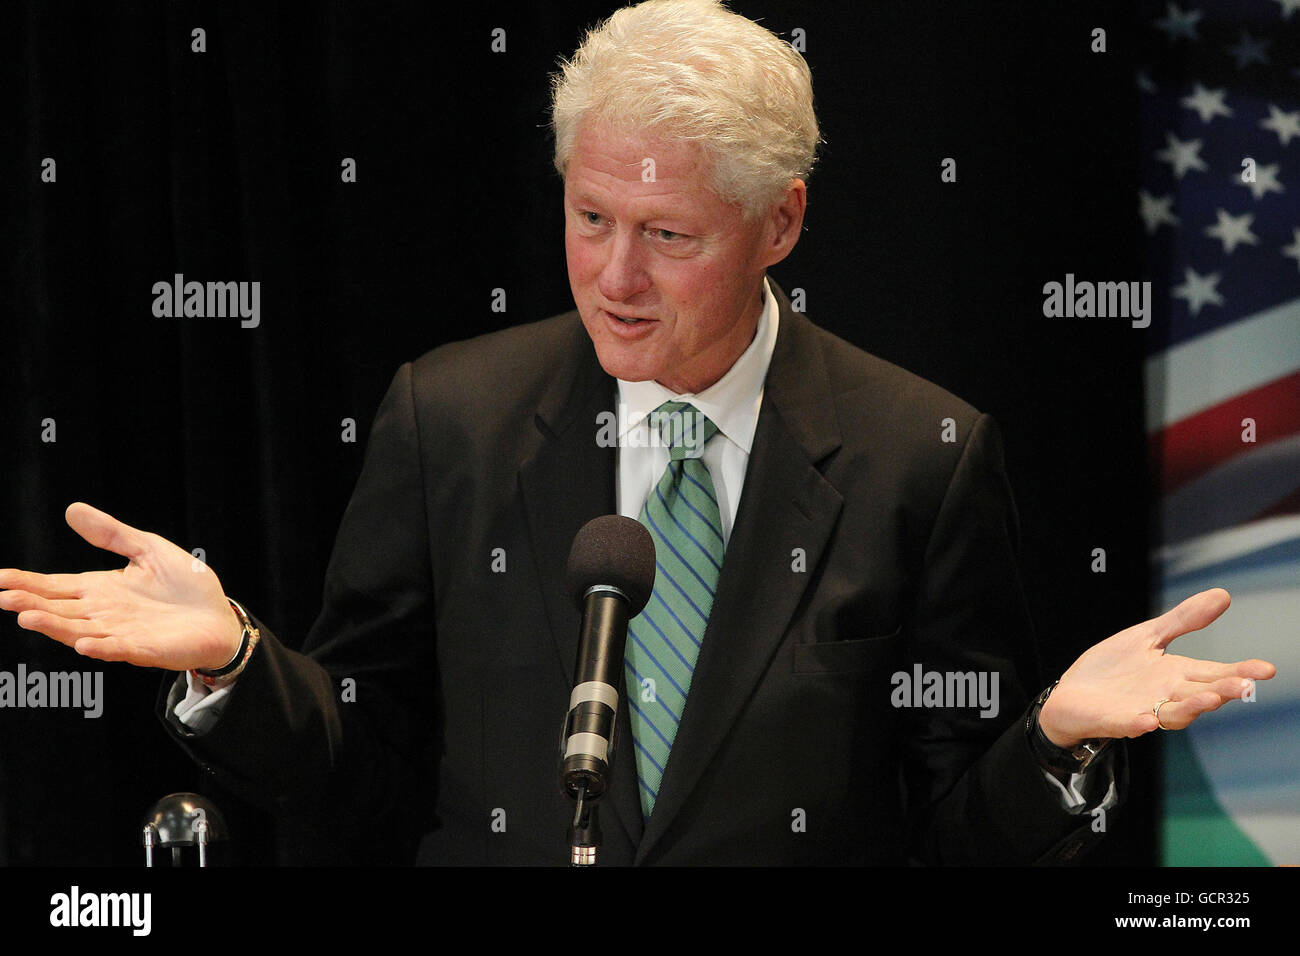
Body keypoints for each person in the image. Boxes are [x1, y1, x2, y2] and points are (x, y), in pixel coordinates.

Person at [0, 0, 1274, 865]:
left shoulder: (917, 455)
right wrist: (233, 658)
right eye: (590, 216)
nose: (615, 277)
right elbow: (362, 766)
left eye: (668, 236)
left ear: (778, 223)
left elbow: (948, 826)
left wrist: (1050, 736)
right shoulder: (447, 414)